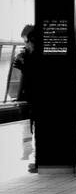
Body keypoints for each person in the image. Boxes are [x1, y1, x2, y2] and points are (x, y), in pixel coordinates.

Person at [12, 24, 37, 173]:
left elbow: (35, 76)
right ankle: (39, 160)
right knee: (35, 128)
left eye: (26, 41)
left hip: (39, 98)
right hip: (33, 98)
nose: (24, 45)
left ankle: (41, 161)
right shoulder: (29, 55)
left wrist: (23, 64)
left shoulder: (37, 56)